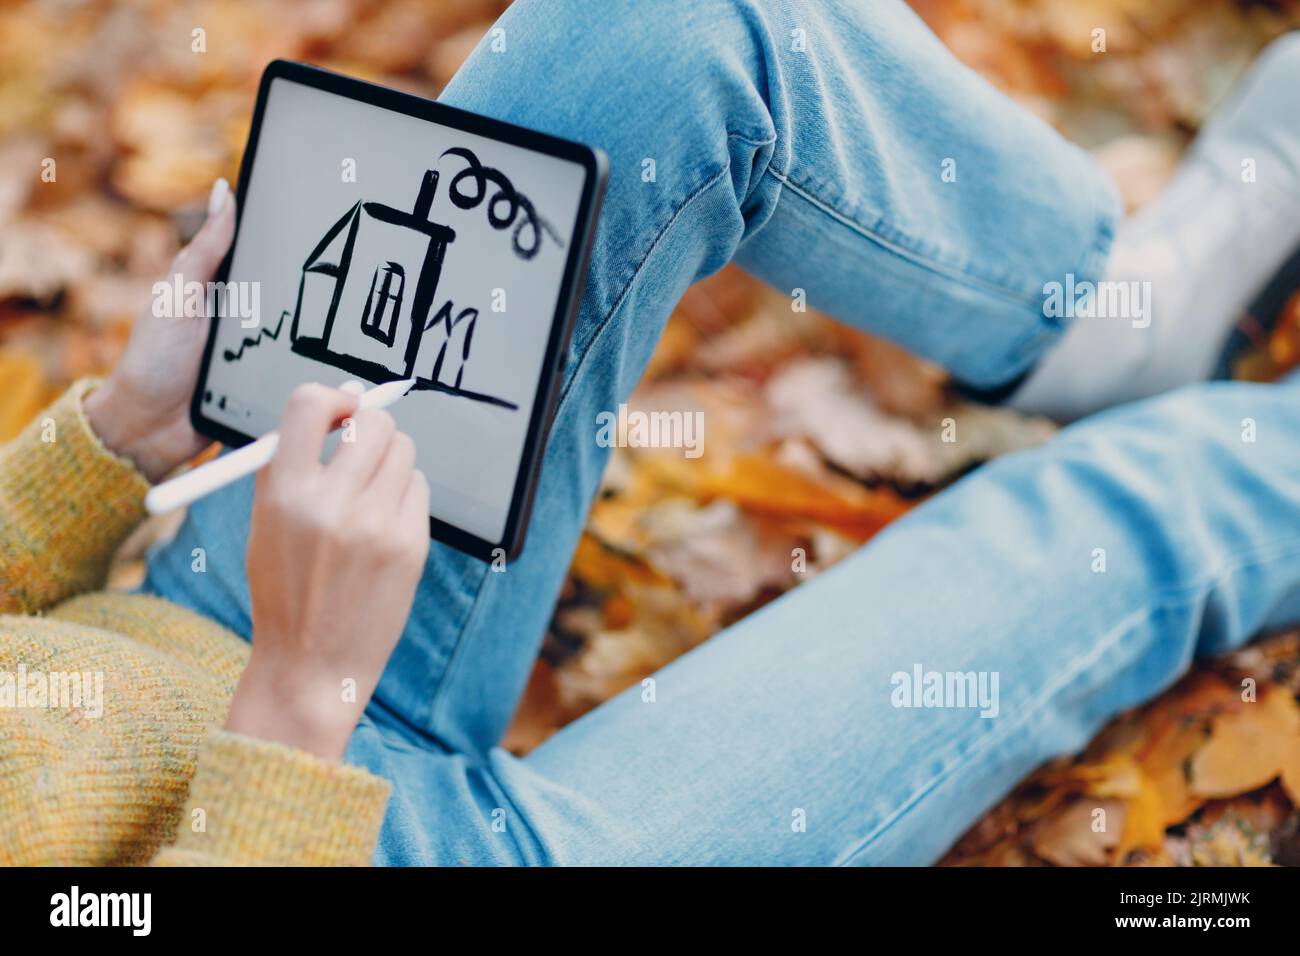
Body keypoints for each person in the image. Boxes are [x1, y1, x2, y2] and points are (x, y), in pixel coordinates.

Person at [4, 0, 1300, 865]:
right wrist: (297, 707)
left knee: (667, 33)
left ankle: (1112, 326)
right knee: (1095, 530)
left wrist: (118, 438)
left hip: (201, 622)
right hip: (343, 822)